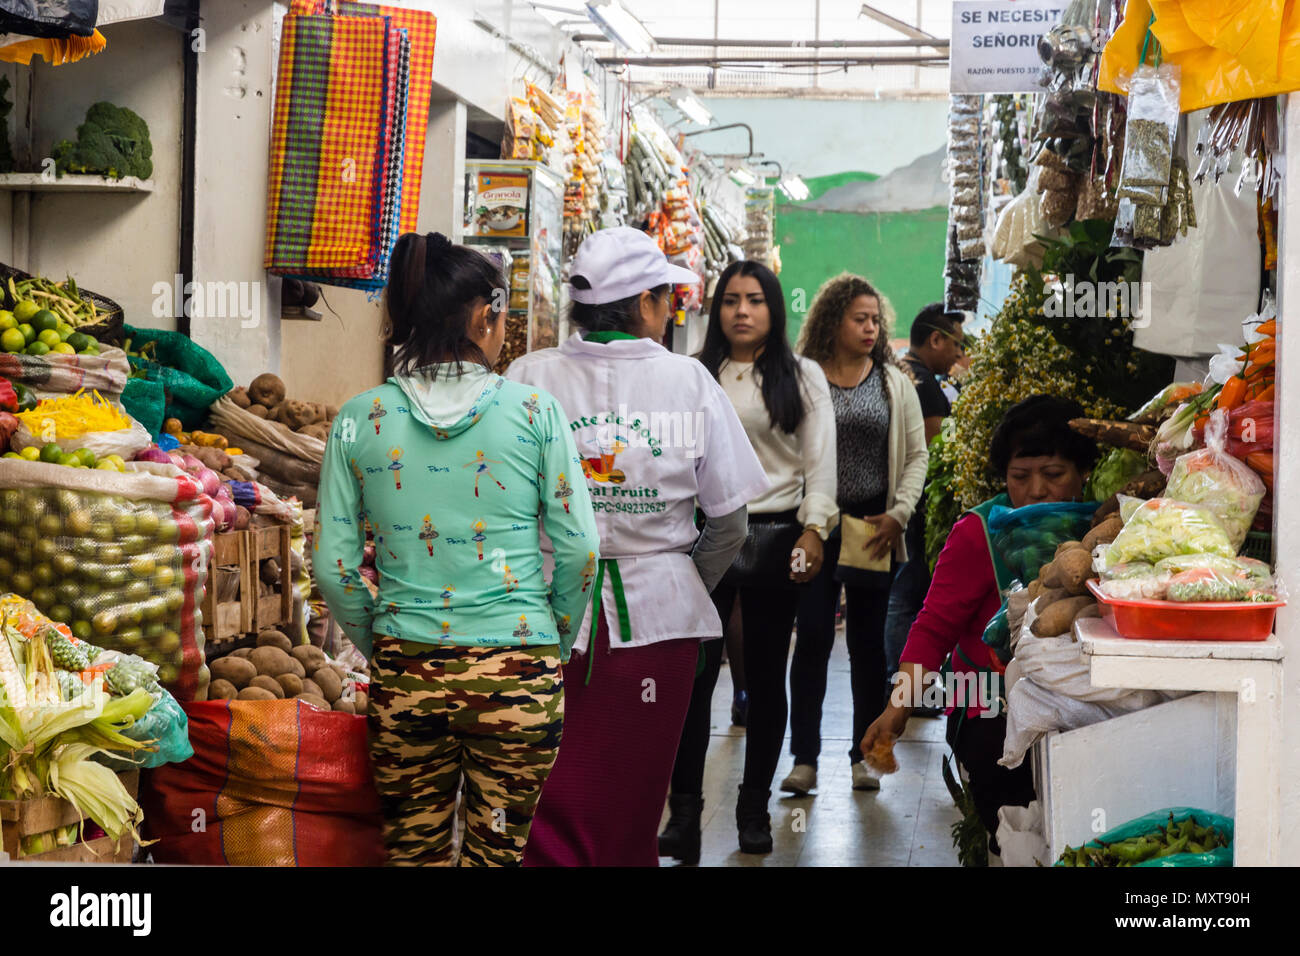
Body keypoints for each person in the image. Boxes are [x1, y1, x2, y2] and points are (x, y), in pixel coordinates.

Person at [314, 232, 599, 866]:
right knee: (496, 853)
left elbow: (333, 569)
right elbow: (580, 550)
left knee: (415, 855)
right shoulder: (535, 412)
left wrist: (384, 641)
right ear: (481, 317)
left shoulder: (360, 417)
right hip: (519, 676)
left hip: (406, 674)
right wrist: (550, 640)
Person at [508, 227, 768, 867]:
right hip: (660, 626)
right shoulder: (690, 382)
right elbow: (730, 525)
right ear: (646, 303)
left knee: (544, 794)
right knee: (633, 802)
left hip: (540, 619)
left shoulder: (526, 377)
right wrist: (680, 580)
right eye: (666, 298)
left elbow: (501, 510)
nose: (670, 311)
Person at [860, 394, 1099, 857]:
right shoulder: (978, 533)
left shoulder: (1102, 526)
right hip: (989, 708)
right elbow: (933, 629)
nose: (1036, 490)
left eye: (1053, 474)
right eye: (1020, 476)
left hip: (1079, 710)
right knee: (1013, 835)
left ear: (1084, 470)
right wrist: (897, 709)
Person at [661, 259, 838, 860]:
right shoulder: (692, 372)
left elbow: (820, 461)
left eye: (755, 300)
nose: (742, 311)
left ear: (774, 308)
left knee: (764, 680)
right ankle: (684, 814)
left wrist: (814, 529)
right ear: (717, 309)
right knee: (693, 679)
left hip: (774, 539)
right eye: (732, 300)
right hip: (699, 537)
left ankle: (753, 809)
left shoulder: (802, 375)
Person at [781, 275, 929, 796]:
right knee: (813, 637)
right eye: (859, 319)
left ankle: (864, 756)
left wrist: (899, 514)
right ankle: (804, 759)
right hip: (815, 526)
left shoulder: (893, 382)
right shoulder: (805, 377)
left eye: (875, 320)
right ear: (832, 320)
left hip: (874, 527)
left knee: (867, 645)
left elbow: (917, 456)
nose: (870, 328)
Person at [884, 304, 967, 714]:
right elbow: (937, 453)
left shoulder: (899, 373)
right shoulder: (926, 387)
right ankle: (907, 690)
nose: (958, 354)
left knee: (900, 590)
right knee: (910, 591)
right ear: (935, 339)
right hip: (914, 505)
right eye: (956, 344)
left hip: (894, 500)